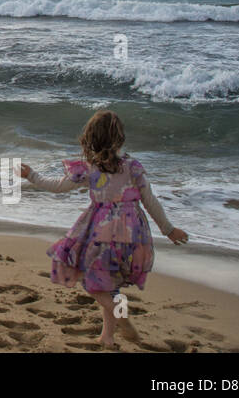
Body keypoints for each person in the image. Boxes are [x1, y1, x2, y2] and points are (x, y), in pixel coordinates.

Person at [20, 109, 189, 347]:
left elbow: (59, 186)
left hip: (102, 231)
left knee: (92, 280)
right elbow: (150, 200)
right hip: (133, 233)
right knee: (110, 283)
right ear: (119, 137)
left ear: (90, 138)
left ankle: (123, 319)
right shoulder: (133, 166)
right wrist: (168, 229)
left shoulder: (89, 168)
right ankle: (107, 337)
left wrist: (32, 176)